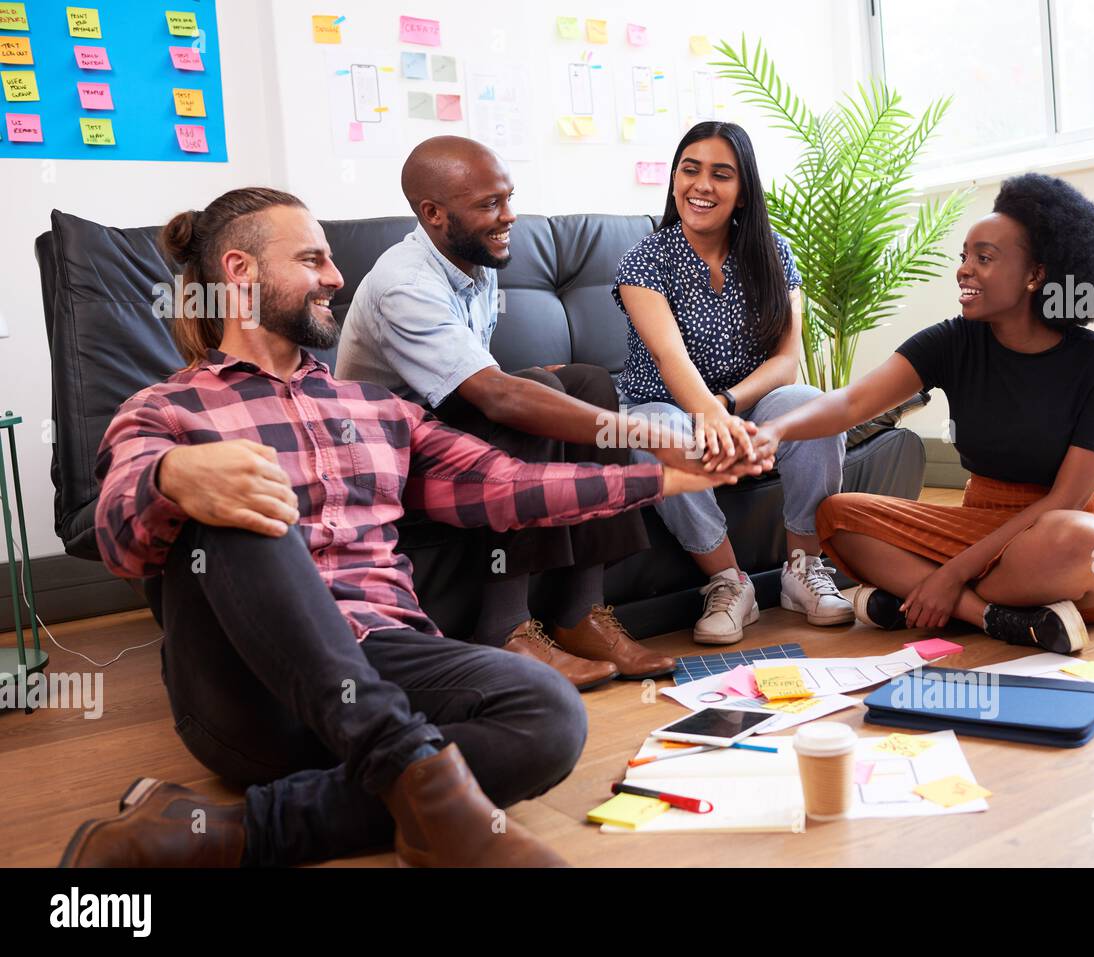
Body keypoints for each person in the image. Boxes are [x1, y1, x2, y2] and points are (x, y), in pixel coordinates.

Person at [61, 187, 747, 869]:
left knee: (551, 714)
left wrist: (669, 476)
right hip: (249, 692)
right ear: (241, 273)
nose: (336, 277)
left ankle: (235, 830)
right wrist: (175, 476)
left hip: (384, 658)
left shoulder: (377, 407)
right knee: (242, 489)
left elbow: (509, 488)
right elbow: (119, 540)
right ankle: (415, 768)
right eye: (312, 259)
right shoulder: (167, 409)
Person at [338, 137, 758, 686]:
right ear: (433, 214)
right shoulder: (406, 283)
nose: (509, 217)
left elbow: (473, 378)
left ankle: (580, 614)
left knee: (586, 381)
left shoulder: (473, 259)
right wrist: (642, 433)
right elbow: (494, 397)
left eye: (508, 198)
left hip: (441, 432)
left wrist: (564, 395)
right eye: (490, 204)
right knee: (522, 402)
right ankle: (506, 629)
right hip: (386, 458)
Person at [753, 173, 1094, 654]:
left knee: (1084, 544)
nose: (963, 270)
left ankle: (924, 600)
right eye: (964, 256)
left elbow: (1064, 500)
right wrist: (772, 430)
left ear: (1034, 275)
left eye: (984, 258)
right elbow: (851, 403)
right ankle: (991, 617)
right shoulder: (952, 341)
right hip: (976, 528)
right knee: (837, 516)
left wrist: (950, 575)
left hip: (1059, 531)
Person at [613, 121, 852, 646]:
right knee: (654, 431)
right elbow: (671, 360)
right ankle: (728, 582)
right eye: (689, 169)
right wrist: (713, 418)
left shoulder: (773, 253)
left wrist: (729, 406)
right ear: (674, 179)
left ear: (743, 191)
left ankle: (801, 570)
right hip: (667, 404)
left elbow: (787, 362)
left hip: (745, 403)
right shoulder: (645, 261)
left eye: (721, 174)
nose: (701, 185)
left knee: (813, 406)